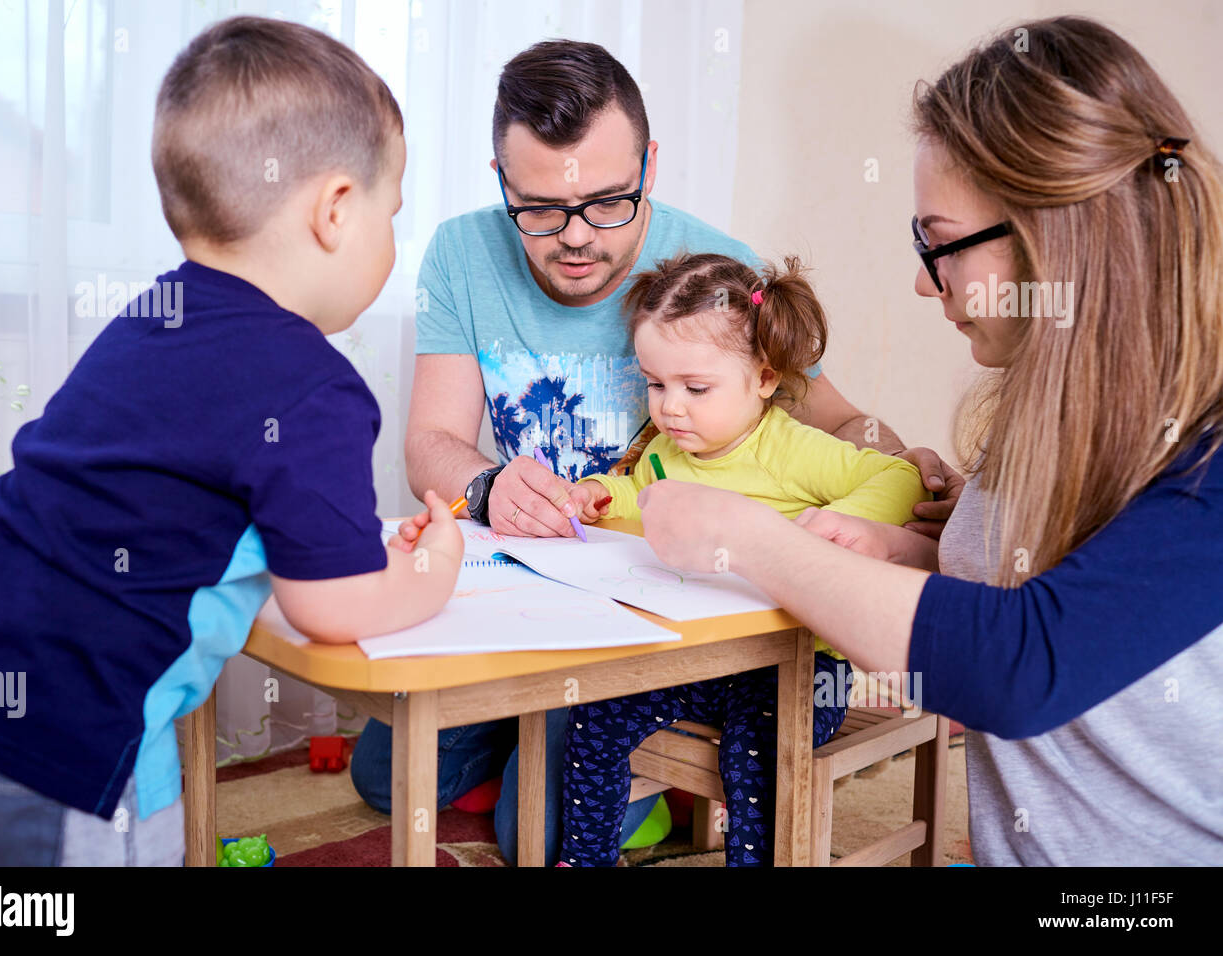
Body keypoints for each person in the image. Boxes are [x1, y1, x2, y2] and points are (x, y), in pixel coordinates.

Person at [634, 16, 1223, 865]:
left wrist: (747, 541)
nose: (921, 279)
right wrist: (909, 548)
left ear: (1057, 235)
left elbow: (1021, 662)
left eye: (939, 244)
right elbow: (1071, 590)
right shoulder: (1049, 414)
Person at [357, 38, 961, 865]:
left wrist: (902, 470)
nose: (574, 238)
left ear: (650, 164)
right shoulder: (461, 253)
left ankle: (626, 766)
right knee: (384, 774)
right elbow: (431, 442)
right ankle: (553, 741)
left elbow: (834, 421)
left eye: (608, 202)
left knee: (537, 828)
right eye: (538, 209)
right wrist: (491, 486)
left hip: (646, 619)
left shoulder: (712, 275)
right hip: (539, 579)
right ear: (500, 179)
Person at [0, 16, 463, 866]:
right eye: (392, 214)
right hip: (77, 768)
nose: (395, 244)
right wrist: (436, 568)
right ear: (334, 210)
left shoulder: (148, 323)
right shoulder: (313, 383)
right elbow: (332, 606)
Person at [545, 251, 927, 865]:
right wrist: (599, 494)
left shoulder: (791, 449)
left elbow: (896, 476)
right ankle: (583, 857)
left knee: (755, 749)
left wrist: (833, 529)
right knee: (598, 713)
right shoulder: (668, 449)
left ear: (766, 379)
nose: (670, 407)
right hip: (699, 661)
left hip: (800, 674)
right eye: (655, 383)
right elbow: (643, 500)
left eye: (696, 388)